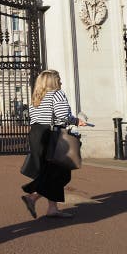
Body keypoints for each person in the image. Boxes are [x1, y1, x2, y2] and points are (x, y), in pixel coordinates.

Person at [20, 70, 87, 219]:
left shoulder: (37, 96)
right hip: (52, 135)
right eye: (58, 79)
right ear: (53, 81)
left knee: (49, 170)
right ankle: (32, 197)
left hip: (37, 134)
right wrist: (77, 121)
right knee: (61, 173)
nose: (60, 82)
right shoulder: (57, 94)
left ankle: (52, 208)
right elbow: (62, 115)